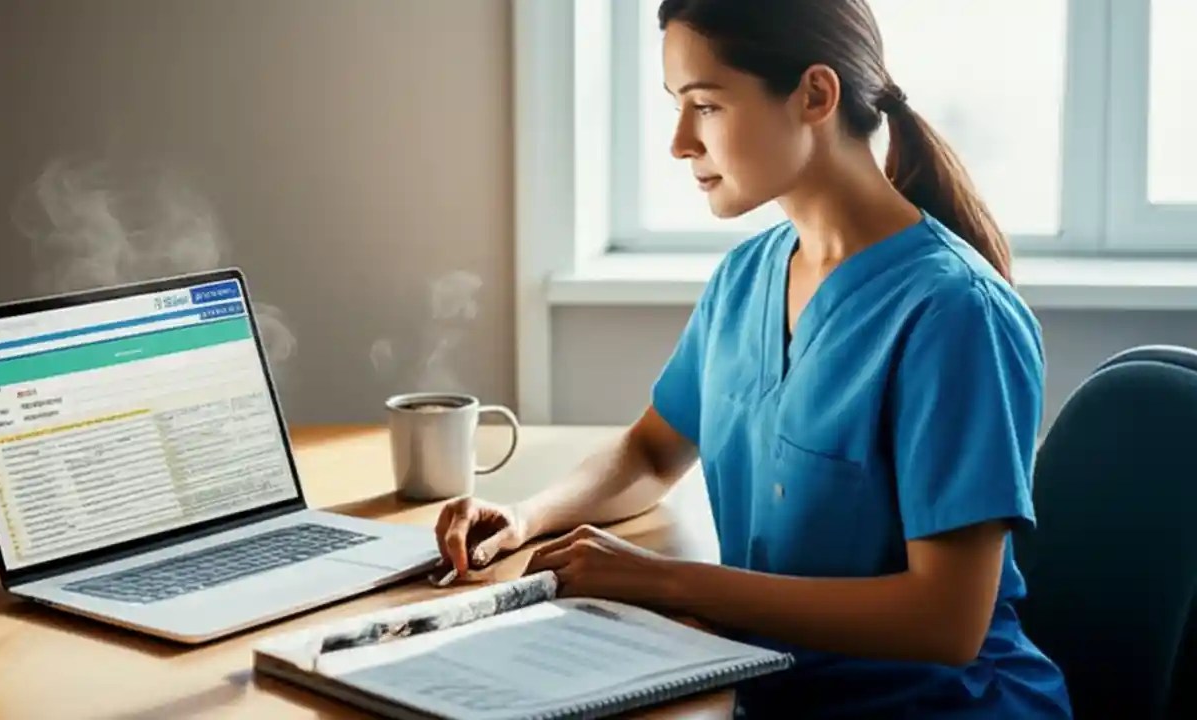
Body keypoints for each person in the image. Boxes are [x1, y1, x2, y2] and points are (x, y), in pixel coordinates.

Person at [434, 0, 1073, 716]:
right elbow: (652, 452)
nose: (680, 142)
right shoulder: (746, 277)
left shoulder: (955, 315)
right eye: (677, 106)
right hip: (770, 691)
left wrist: (667, 581)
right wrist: (525, 516)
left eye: (706, 105)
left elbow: (946, 622)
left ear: (815, 95)